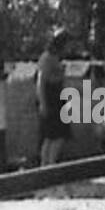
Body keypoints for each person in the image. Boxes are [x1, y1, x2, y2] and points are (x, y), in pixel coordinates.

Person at [36, 30, 68, 166]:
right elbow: (41, 81)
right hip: (50, 99)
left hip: (57, 98)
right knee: (55, 135)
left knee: (54, 135)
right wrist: (43, 103)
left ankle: (47, 164)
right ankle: (48, 163)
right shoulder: (47, 58)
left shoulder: (56, 58)